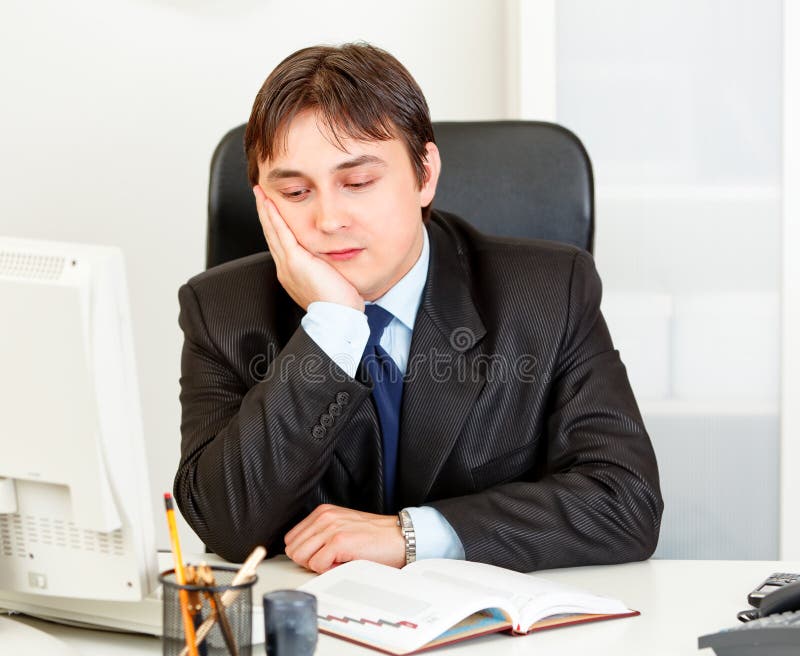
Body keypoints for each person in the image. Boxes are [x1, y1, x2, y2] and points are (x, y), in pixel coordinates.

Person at [174, 42, 663, 573]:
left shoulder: (549, 292)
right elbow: (225, 525)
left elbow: (624, 501)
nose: (329, 220)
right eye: (295, 193)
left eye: (357, 183)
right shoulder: (221, 312)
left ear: (424, 175)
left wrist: (413, 535)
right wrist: (332, 326)